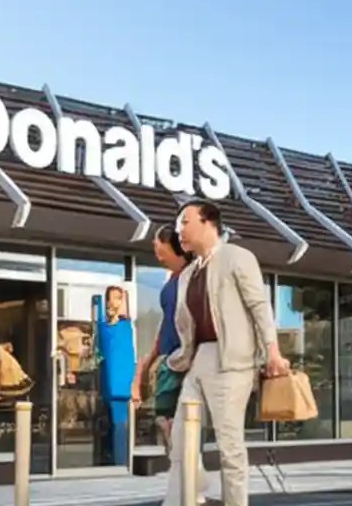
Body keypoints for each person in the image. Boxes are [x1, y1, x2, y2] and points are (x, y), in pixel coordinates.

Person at [163, 200, 290, 506]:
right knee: (181, 439)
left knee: (229, 445)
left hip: (232, 360)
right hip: (199, 361)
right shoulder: (188, 274)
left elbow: (259, 306)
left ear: (208, 222)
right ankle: (186, 499)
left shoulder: (237, 257)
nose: (179, 231)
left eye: (185, 222)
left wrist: (272, 351)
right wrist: (178, 358)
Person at [132, 224, 215, 504]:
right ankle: (189, 480)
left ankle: (192, 488)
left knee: (185, 424)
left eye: (159, 248)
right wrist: (148, 360)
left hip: (188, 362)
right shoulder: (172, 281)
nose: (157, 254)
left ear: (174, 247)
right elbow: (166, 324)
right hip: (169, 362)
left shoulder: (195, 278)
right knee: (166, 421)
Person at [96, 284, 135, 466]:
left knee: (121, 425)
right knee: (112, 425)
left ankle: (121, 462)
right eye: (113, 298)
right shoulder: (104, 326)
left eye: (119, 298)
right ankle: (115, 460)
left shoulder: (125, 326)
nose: (116, 302)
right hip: (111, 384)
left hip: (122, 385)